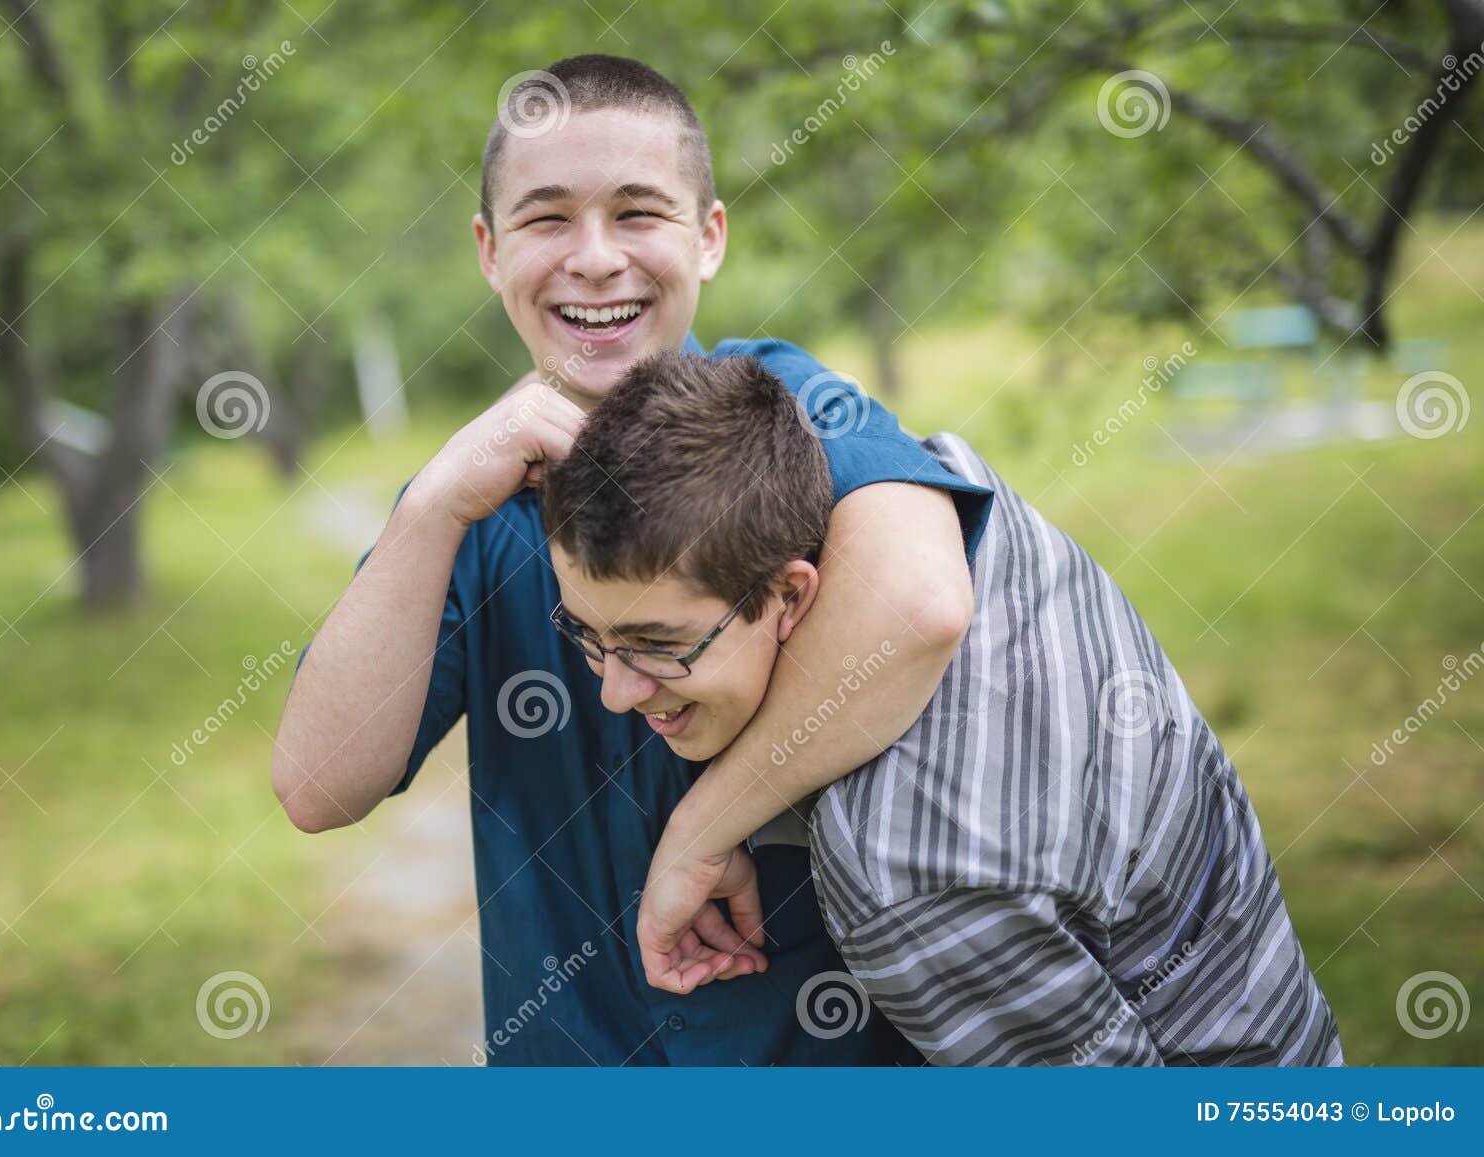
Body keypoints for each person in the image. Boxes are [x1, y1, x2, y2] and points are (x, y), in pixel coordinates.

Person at [273, 53, 994, 1064]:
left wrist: (699, 834)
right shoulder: (471, 507)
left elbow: (920, 602)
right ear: (488, 250)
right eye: (547, 217)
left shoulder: (784, 415)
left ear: (708, 238)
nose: (596, 257)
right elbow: (317, 784)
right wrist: (432, 503)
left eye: (638, 212)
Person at [542, 349, 1344, 1066]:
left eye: (658, 643)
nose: (616, 689)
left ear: (791, 593)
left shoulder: (907, 871)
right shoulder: (941, 493)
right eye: (586, 633)